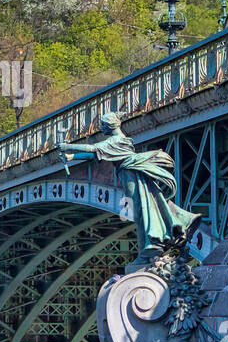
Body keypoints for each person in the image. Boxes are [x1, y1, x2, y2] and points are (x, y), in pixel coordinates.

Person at [57, 110, 199, 259]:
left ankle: (149, 246)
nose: (101, 128)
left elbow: (93, 148)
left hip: (130, 175)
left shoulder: (115, 141)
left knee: (138, 212)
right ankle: (150, 244)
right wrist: (72, 156)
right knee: (145, 208)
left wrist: (67, 146)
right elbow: (95, 154)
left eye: (103, 125)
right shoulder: (116, 142)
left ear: (110, 125)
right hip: (130, 174)